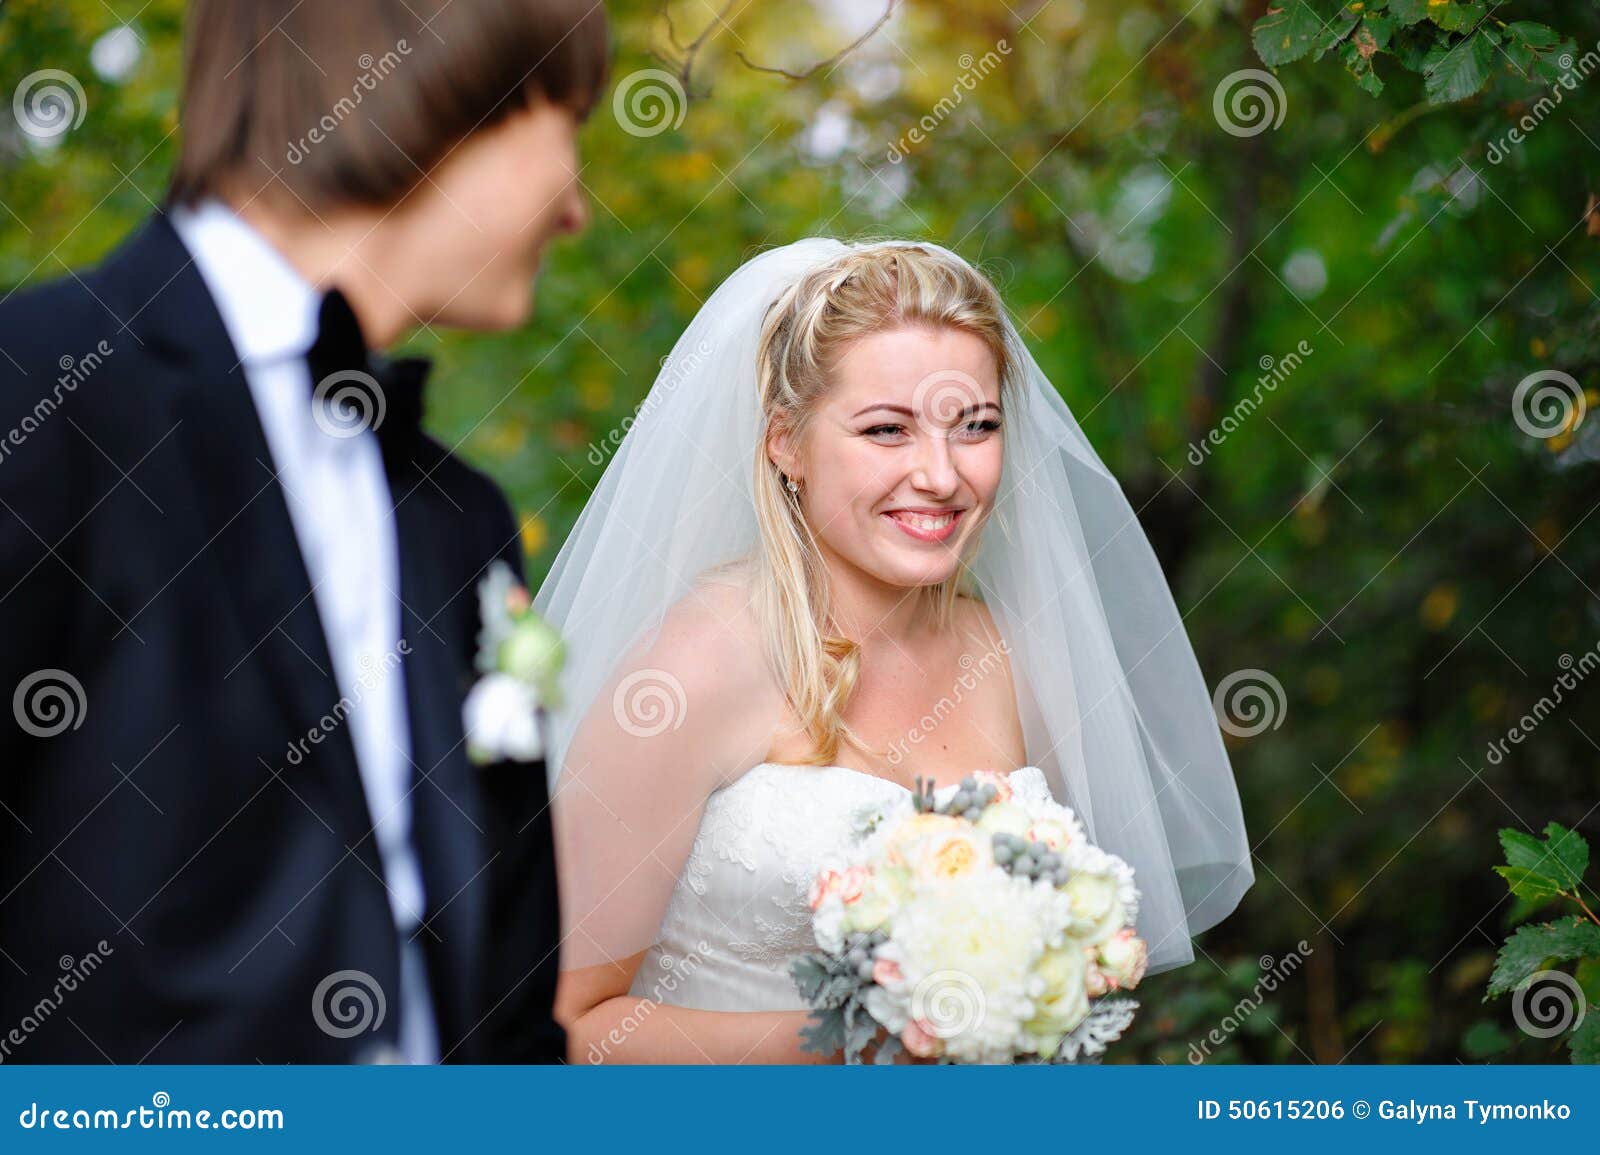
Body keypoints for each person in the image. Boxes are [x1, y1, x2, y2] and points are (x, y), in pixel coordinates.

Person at [0, 0, 607, 1063]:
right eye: (573, 123)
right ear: (448, 91)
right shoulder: (38, 395)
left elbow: (504, 1000)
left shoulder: (457, 516)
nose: (578, 211)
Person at [537, 239, 1254, 1063]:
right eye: (887, 429)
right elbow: (566, 1027)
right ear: (786, 443)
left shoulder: (1012, 656)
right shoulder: (691, 670)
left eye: (975, 427)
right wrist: (866, 1041)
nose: (942, 475)